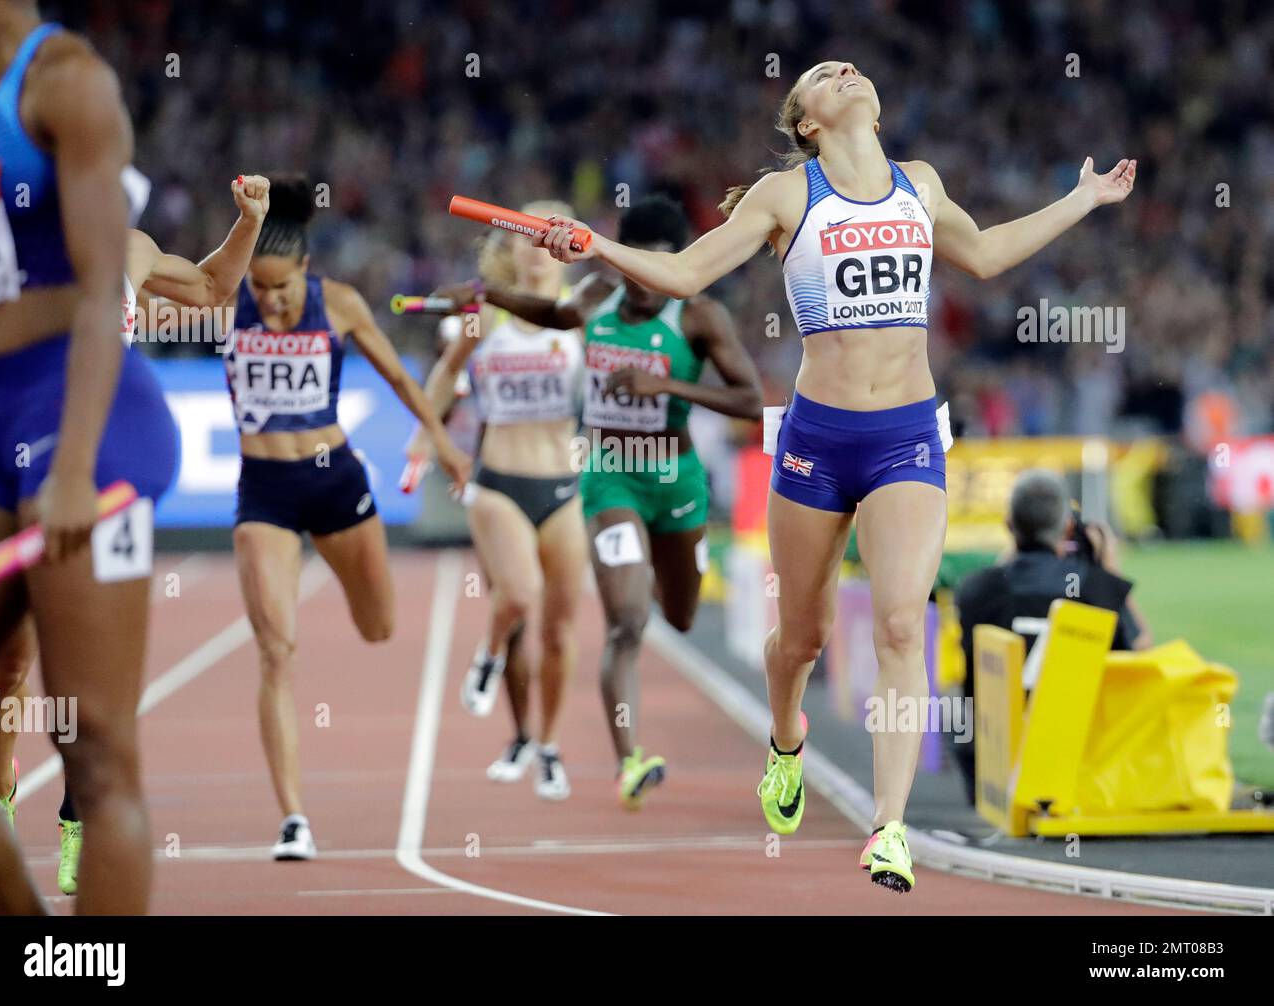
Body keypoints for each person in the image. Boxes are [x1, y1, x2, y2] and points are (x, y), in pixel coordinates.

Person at [531, 61, 1135, 890]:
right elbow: (685, 275)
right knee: (802, 638)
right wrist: (595, 244)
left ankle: (890, 829)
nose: (844, 71)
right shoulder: (788, 197)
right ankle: (786, 743)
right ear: (807, 122)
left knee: (898, 626)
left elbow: (987, 256)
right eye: (822, 75)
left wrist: (1083, 200)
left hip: (907, 437)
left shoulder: (919, 183)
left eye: (849, 67)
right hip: (818, 439)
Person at [0, 173, 272, 896]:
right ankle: (1, 804)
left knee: (86, 695)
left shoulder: (128, 250)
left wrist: (249, 223)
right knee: (8, 665)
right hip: (0, 462)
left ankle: (80, 820)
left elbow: (208, 295)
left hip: (98, 469)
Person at [436, 194, 762, 809]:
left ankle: (669, 572)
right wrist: (488, 295)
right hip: (611, 477)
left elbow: (749, 401)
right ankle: (629, 762)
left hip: (678, 482)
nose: (642, 288)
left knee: (682, 615)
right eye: (631, 272)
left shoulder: (700, 317)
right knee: (627, 620)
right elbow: (555, 315)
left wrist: (662, 383)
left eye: (655, 273)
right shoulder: (596, 299)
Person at [0, 3, 180, 914]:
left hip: (78, 411)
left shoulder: (64, 83)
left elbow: (106, 289)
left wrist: (72, 469)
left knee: (94, 744)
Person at [224, 174, 469, 860]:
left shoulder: (339, 305)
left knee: (379, 626)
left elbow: (397, 378)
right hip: (264, 491)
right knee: (276, 652)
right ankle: (294, 819)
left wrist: (443, 441)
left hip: (336, 482)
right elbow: (154, 291)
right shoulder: (228, 302)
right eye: (260, 288)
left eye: (281, 287)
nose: (269, 301)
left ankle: (338, 564)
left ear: (306, 268)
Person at [409, 201, 587, 799]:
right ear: (508, 249)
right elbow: (444, 377)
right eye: (524, 238)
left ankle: (549, 745)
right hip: (497, 484)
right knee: (520, 594)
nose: (536, 248)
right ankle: (487, 656)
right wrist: (424, 437)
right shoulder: (485, 316)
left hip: (563, 488)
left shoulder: (582, 313)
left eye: (547, 237)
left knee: (560, 634)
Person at [952, 469, 1152, 800]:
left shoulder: (976, 588)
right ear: (1069, 527)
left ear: (1008, 526)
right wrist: (1110, 571)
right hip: (1075, 760)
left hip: (992, 763)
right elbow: (1141, 648)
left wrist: (1015, 544)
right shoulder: (1095, 586)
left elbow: (996, 587)